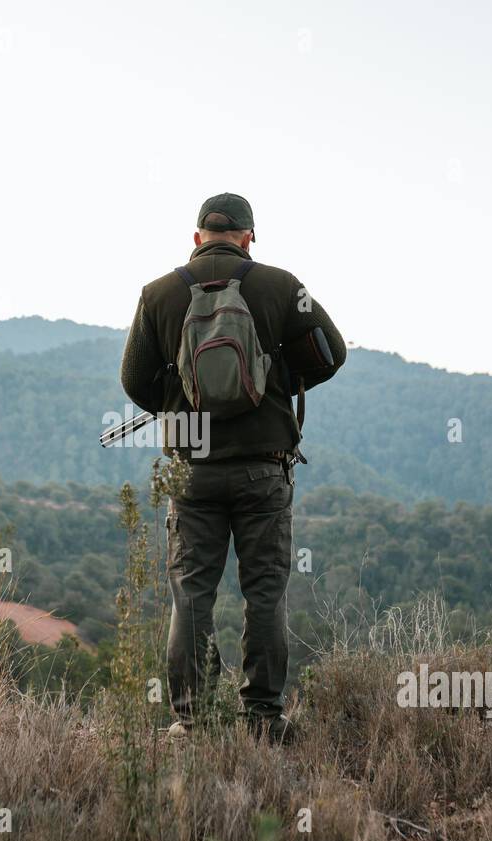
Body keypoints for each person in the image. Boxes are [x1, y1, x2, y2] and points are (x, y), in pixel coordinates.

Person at [119, 192, 346, 742]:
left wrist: (183, 402)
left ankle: (194, 722)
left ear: (197, 237)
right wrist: (276, 378)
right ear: (249, 236)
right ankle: (263, 718)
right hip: (263, 467)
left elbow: (134, 381)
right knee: (264, 591)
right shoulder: (279, 285)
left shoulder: (158, 295)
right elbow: (333, 351)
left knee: (192, 593)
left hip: (191, 468)